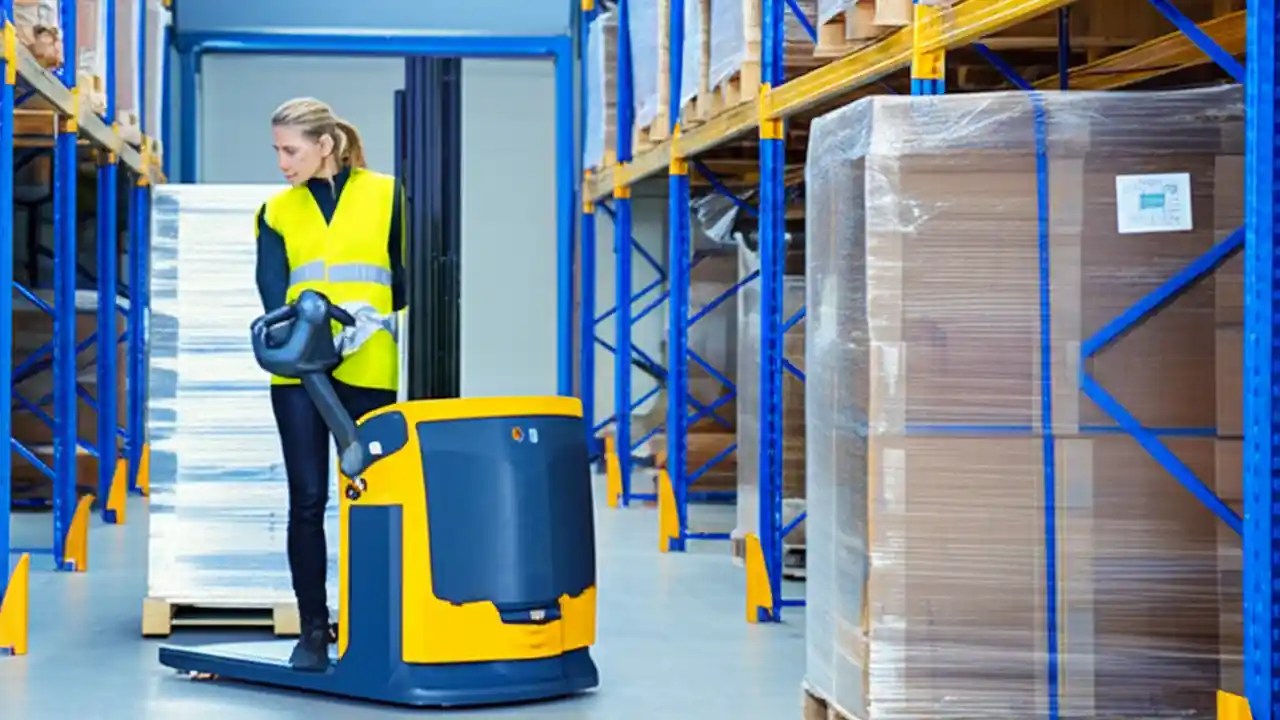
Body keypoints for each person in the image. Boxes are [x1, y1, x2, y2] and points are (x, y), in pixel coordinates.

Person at [254, 97, 406, 671]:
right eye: (277, 151)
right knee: (308, 501)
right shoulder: (275, 211)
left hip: (370, 367)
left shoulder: (389, 195)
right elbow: (273, 297)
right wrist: (309, 334)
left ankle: (370, 625)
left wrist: (372, 320)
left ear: (326, 146)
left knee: (372, 501)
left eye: (290, 150)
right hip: (300, 374)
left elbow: (408, 273)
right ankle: (313, 632)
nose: (282, 163)